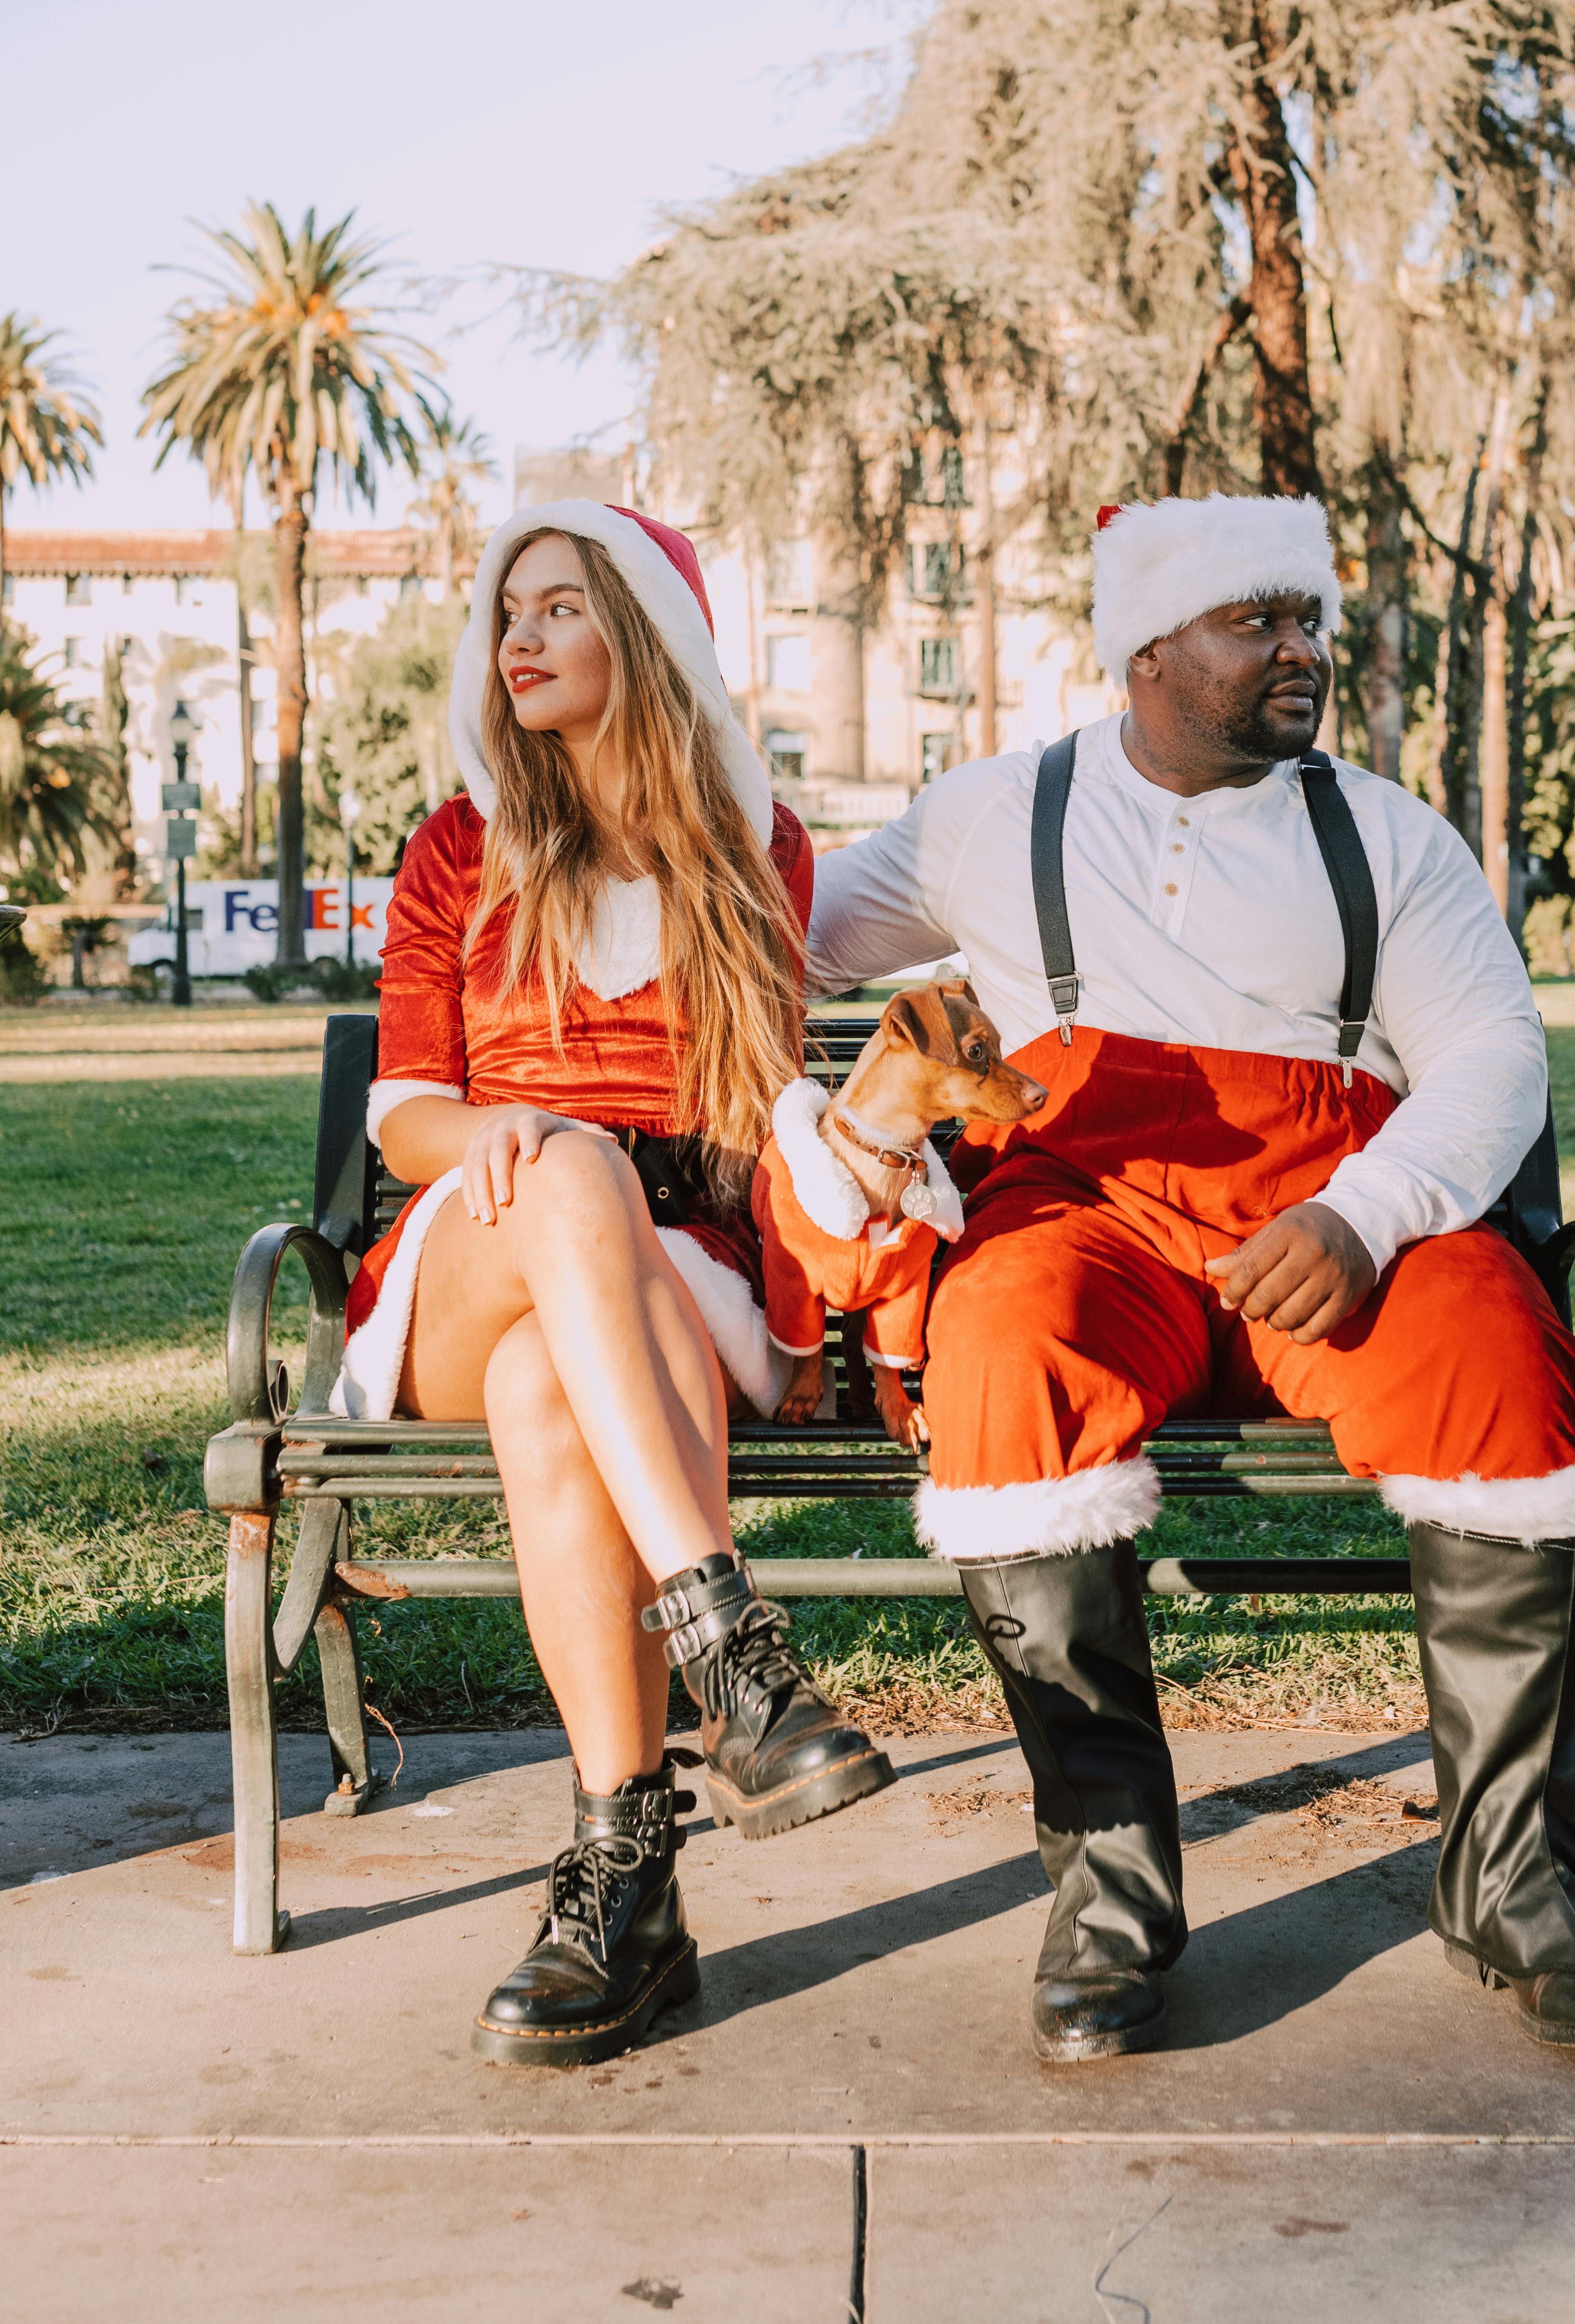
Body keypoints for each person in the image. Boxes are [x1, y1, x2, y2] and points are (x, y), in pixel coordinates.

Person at [807, 490, 1575, 2065]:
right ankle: (1109, 1897)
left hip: (1334, 1213)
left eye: (1309, 619)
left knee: (1495, 1350)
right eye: (1256, 620)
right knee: (1002, 1343)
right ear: (1148, 650)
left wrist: (1366, 1214)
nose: (1301, 649)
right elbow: (784, 935)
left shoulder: (1388, 835)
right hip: (1088, 1218)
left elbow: (1493, 1052)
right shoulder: (995, 814)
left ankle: (1512, 1884)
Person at [339, 499, 893, 2069]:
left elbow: (771, 1111)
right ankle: (734, 1650)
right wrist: (512, 1132)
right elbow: (405, 1111)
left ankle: (622, 1876)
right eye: (509, 608)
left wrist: (804, 1314)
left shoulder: (751, 847)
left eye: (562, 606)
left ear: (644, 637)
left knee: (550, 1388)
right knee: (569, 1173)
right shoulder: (458, 845)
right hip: (478, 1235)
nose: (516, 635)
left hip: (669, 1274)